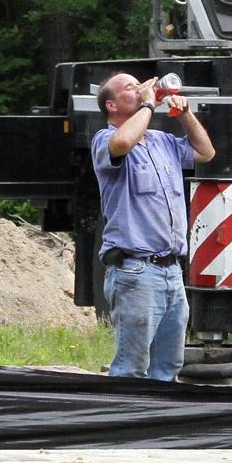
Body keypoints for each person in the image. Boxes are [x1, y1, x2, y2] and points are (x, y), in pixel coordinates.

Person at [92, 73, 215, 381]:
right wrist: (148, 104)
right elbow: (121, 143)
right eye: (130, 88)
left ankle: (160, 426)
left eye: (139, 85)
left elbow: (206, 152)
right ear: (111, 105)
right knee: (131, 368)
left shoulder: (161, 141)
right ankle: (124, 425)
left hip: (171, 271)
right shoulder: (104, 139)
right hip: (136, 272)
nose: (140, 89)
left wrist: (185, 114)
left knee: (168, 366)